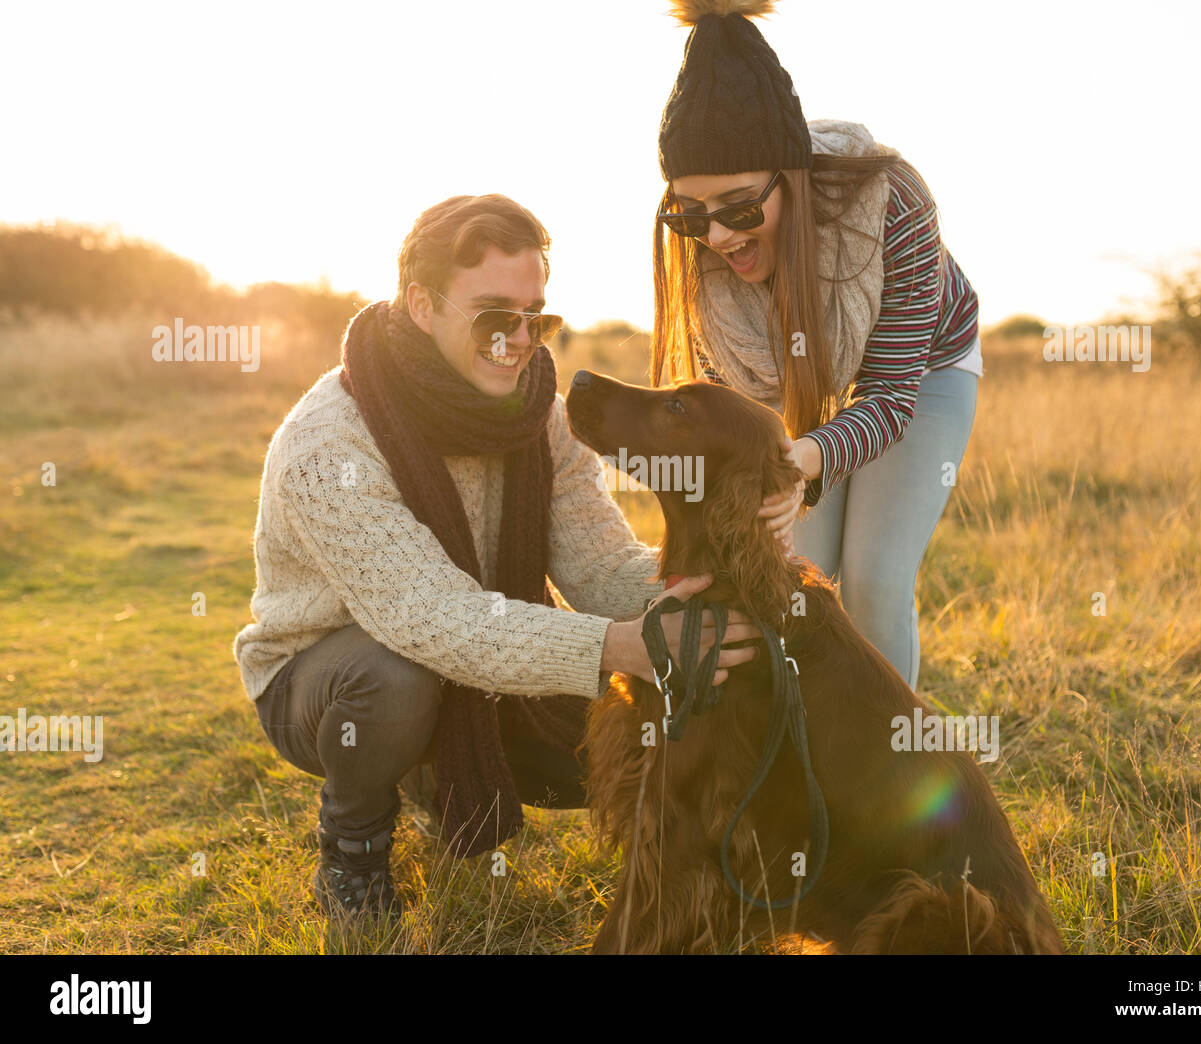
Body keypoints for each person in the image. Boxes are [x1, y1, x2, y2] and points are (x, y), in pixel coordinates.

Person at [233, 194, 758, 920]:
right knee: (397, 679)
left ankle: (434, 776)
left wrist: (704, 590)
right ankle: (351, 853)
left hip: (470, 652)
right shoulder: (329, 447)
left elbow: (598, 566)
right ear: (421, 304)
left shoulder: (540, 410)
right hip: (324, 681)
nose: (517, 339)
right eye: (492, 316)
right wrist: (621, 647)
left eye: (534, 318)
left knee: (623, 721)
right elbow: (433, 618)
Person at [650, 0, 983, 689]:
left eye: (742, 207)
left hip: (923, 372)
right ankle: (801, 757)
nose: (717, 238)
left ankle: (894, 769)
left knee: (873, 577)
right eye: (692, 213)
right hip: (798, 387)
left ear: (790, 179)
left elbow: (889, 399)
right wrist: (764, 482)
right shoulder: (700, 241)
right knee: (798, 572)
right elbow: (733, 403)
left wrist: (804, 459)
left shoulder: (890, 200)